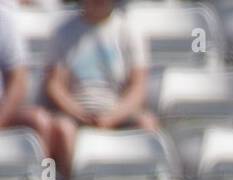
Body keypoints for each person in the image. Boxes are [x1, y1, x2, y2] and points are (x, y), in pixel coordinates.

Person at [43, 0, 155, 170]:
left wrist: (113, 116)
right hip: (76, 114)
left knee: (147, 123)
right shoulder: (64, 33)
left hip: (117, 111)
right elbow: (55, 85)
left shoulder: (128, 31)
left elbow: (138, 87)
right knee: (62, 128)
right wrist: (79, 113)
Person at [0, 0, 60, 174]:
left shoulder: (2, 19)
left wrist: (1, 119)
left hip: (2, 111)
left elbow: (18, 81)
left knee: (39, 121)